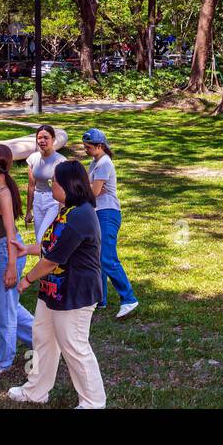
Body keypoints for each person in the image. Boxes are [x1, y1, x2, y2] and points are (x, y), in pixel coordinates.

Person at [8, 160, 106, 409]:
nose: (51, 184)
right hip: (54, 291)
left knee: (74, 347)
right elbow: (53, 245)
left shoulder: (80, 215)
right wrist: (27, 249)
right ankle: (36, 391)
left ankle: (93, 402)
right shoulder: (68, 211)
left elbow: (51, 261)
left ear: (67, 185)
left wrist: (27, 279)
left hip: (75, 294)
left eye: (54, 181)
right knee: (43, 340)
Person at [0, 144, 34, 378]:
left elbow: (11, 234)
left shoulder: (3, 194)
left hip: (6, 253)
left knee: (6, 310)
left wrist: (12, 266)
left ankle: (3, 360)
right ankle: (41, 337)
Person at [83, 127, 138, 319]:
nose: (85, 150)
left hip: (107, 213)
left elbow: (93, 192)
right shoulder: (95, 163)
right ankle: (100, 299)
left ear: (100, 146)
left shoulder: (104, 163)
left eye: (88, 147)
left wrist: (78, 188)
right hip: (98, 212)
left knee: (107, 257)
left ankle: (129, 299)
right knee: (97, 257)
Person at [25, 125, 66, 244]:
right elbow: (31, 186)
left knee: (43, 238)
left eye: (46, 138)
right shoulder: (33, 159)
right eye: (39, 138)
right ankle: (44, 262)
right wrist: (28, 211)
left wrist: (61, 211)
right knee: (39, 240)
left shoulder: (61, 161)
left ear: (53, 140)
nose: (42, 141)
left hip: (53, 201)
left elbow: (64, 189)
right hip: (38, 200)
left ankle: (51, 261)